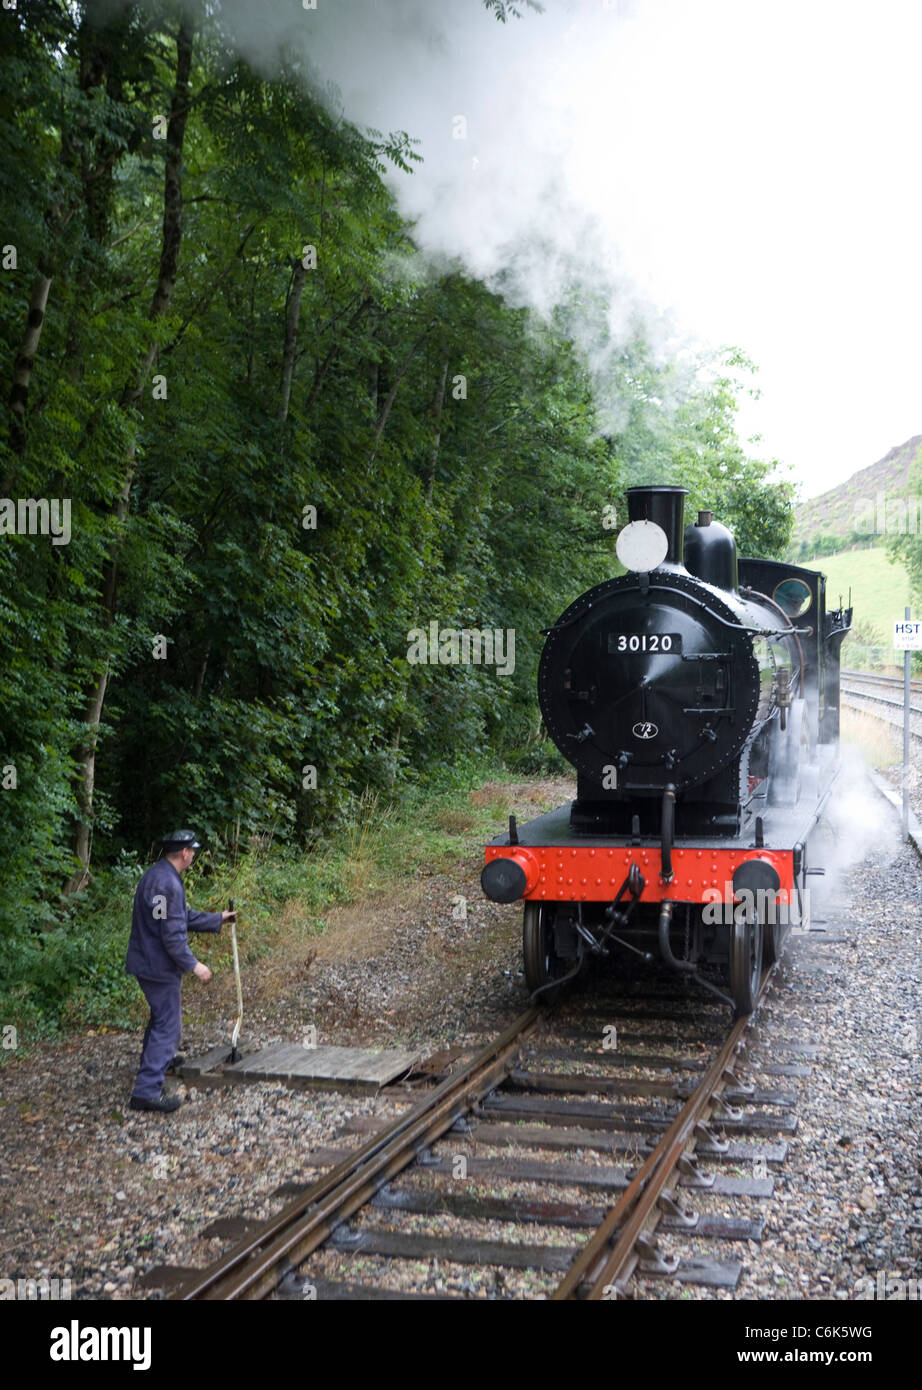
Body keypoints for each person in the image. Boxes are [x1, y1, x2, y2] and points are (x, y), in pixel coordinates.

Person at [125, 829, 237, 1113]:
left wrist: (216, 919)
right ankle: (146, 1091)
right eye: (193, 851)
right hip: (157, 966)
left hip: (148, 962)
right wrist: (195, 966)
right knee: (169, 1026)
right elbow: (171, 935)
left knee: (161, 1018)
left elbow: (176, 918)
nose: (194, 855)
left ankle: (158, 1061)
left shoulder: (158, 876)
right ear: (185, 853)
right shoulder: (167, 885)